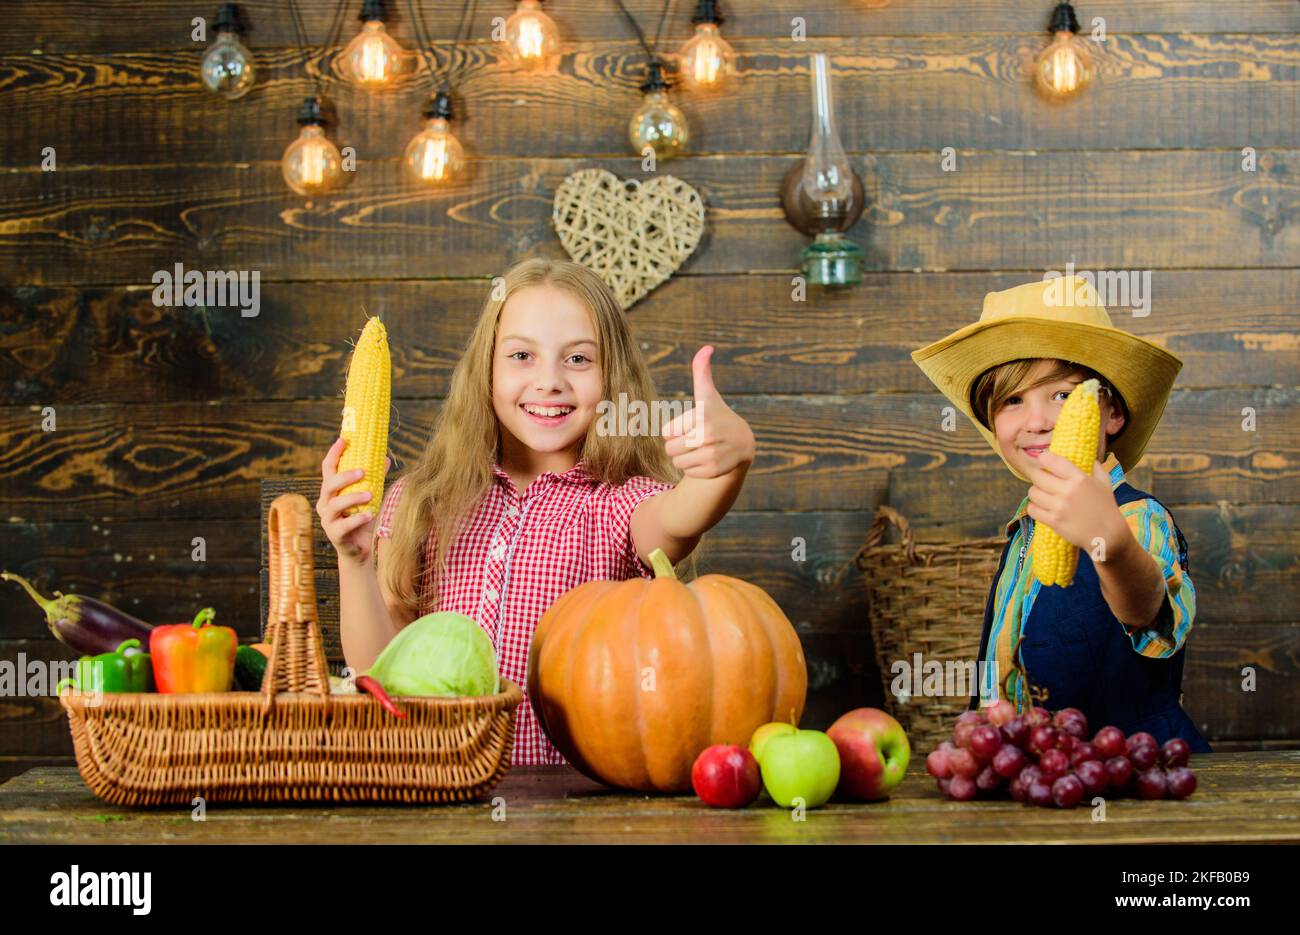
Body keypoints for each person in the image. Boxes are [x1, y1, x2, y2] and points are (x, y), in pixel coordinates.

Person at [317, 257, 756, 764]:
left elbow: (682, 514)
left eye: (577, 359)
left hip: (572, 804)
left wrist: (728, 462)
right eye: (522, 355)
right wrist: (354, 560)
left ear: (612, 377)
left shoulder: (617, 503)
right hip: (444, 793)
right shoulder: (424, 500)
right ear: (487, 368)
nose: (549, 381)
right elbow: (379, 671)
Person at [912, 275, 1210, 751]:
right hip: (1035, 783)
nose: (1036, 422)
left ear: (1112, 414)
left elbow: (1153, 618)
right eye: (1012, 400)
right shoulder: (1023, 531)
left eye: (1062, 396)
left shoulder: (1137, 519)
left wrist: (1110, 545)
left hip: (1125, 782)